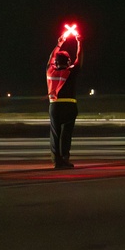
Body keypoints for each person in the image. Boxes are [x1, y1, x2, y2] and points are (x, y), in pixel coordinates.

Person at [46, 30, 83, 169]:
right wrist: (80, 42)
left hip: (55, 107)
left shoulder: (50, 72)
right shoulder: (71, 72)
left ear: (56, 61)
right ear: (68, 61)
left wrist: (59, 44)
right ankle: (65, 159)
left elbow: (50, 58)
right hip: (70, 106)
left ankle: (56, 161)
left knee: (55, 134)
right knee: (66, 135)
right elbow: (79, 58)